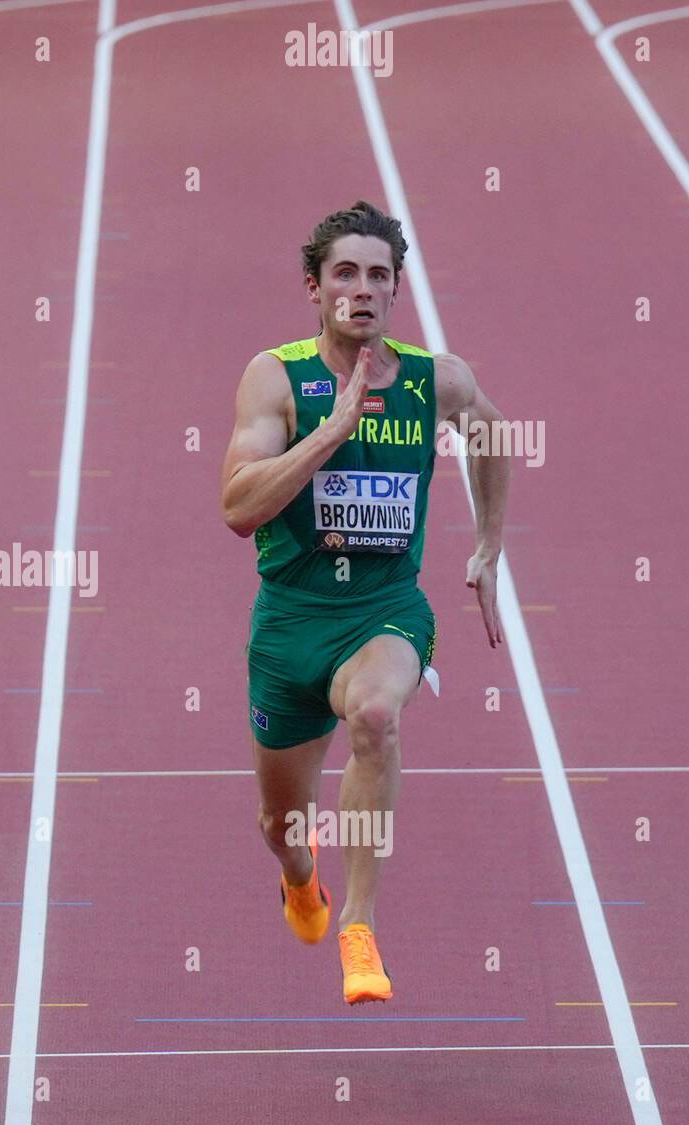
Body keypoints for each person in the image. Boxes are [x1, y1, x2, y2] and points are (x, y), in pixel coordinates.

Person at [221, 201, 509, 1003]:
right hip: (289, 627)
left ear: (396, 290)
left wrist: (488, 544)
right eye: (345, 273)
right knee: (281, 831)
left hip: (385, 611)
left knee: (378, 717)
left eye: (379, 275)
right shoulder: (276, 378)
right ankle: (302, 878)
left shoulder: (433, 379)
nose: (363, 289)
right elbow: (239, 509)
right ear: (314, 289)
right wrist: (330, 431)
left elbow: (490, 429)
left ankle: (359, 925)